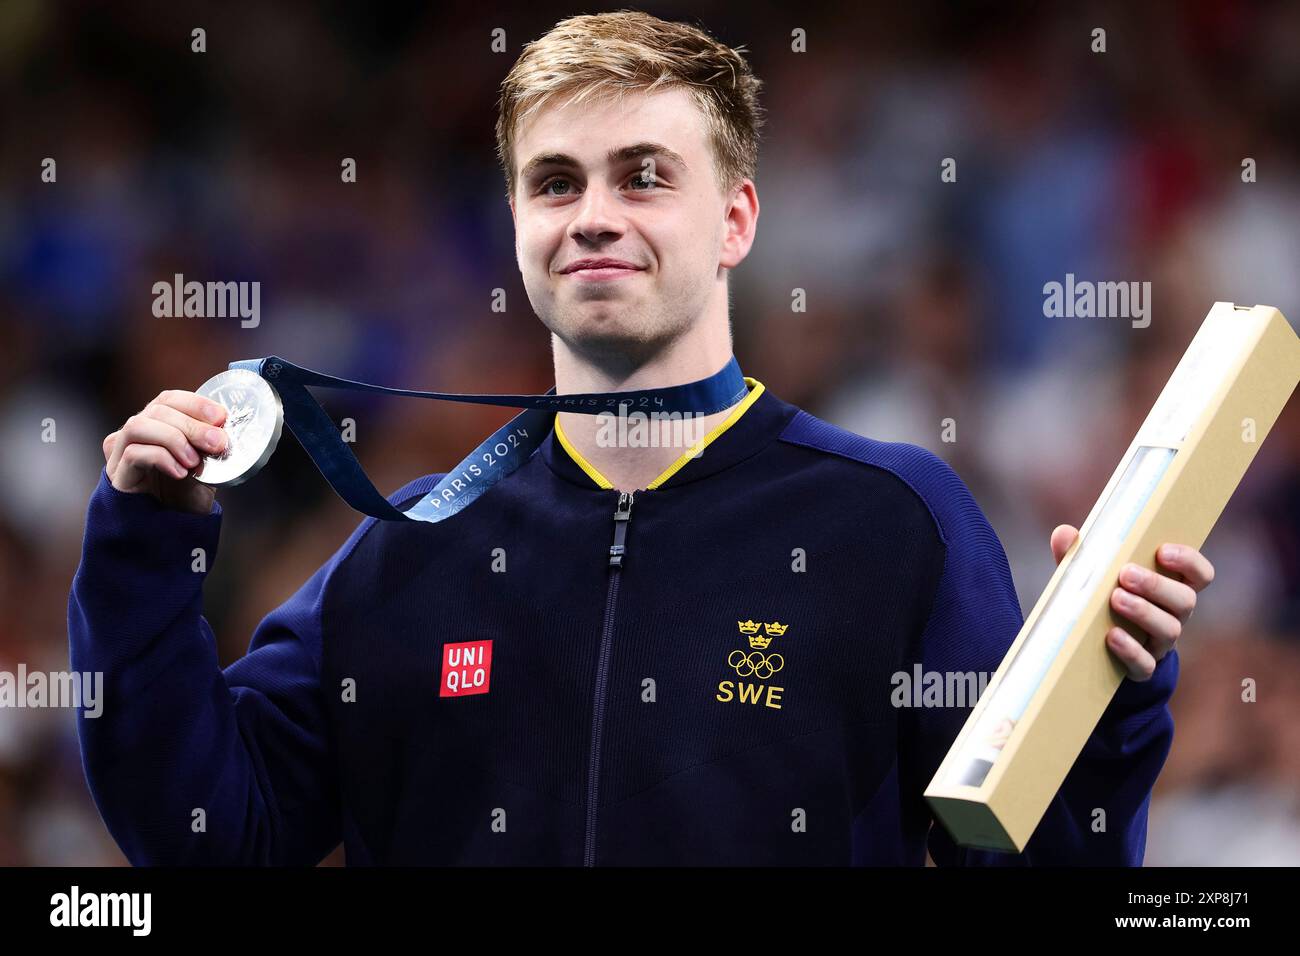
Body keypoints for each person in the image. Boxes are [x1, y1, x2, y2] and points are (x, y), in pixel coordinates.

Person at [68, 10, 1213, 866]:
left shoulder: (893, 520)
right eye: (554, 182)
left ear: (735, 219)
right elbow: (206, 832)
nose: (595, 215)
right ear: (517, 224)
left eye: (645, 176)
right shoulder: (402, 549)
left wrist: (1105, 707)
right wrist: (143, 546)